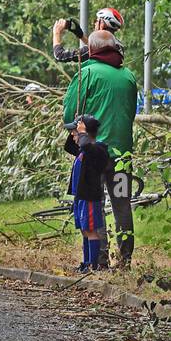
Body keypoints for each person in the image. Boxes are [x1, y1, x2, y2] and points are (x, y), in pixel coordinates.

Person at [62, 29, 139, 268]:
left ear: (91, 50)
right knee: (121, 203)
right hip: (122, 154)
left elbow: (69, 113)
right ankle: (125, 260)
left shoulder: (87, 74)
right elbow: (131, 112)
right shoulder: (128, 76)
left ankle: (99, 260)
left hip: (94, 154)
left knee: (94, 203)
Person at [64, 115, 109, 273]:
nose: (73, 136)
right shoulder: (82, 149)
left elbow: (87, 145)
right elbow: (68, 146)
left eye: (75, 133)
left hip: (90, 197)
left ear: (85, 134)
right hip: (81, 197)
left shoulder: (98, 149)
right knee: (84, 230)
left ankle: (93, 265)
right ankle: (86, 262)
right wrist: (76, 127)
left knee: (91, 230)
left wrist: (82, 131)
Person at [53, 7, 124, 64]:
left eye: (97, 21)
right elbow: (96, 47)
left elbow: (60, 56)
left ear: (101, 24)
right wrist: (81, 36)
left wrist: (56, 33)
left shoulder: (97, 49)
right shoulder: (118, 46)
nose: (95, 24)